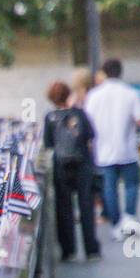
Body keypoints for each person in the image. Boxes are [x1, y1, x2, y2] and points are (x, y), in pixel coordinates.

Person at [85, 58, 140, 240]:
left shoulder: (94, 95)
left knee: (109, 188)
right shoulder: (130, 93)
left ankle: (116, 224)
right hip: (127, 149)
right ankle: (129, 218)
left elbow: (88, 121)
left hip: (103, 151)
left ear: (104, 72)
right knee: (131, 185)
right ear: (120, 72)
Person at [43, 80, 101, 262]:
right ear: (68, 94)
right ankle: (91, 249)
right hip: (82, 162)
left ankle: (68, 250)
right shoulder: (79, 114)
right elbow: (91, 135)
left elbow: (48, 143)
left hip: (61, 165)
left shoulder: (50, 117)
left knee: (64, 207)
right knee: (86, 206)